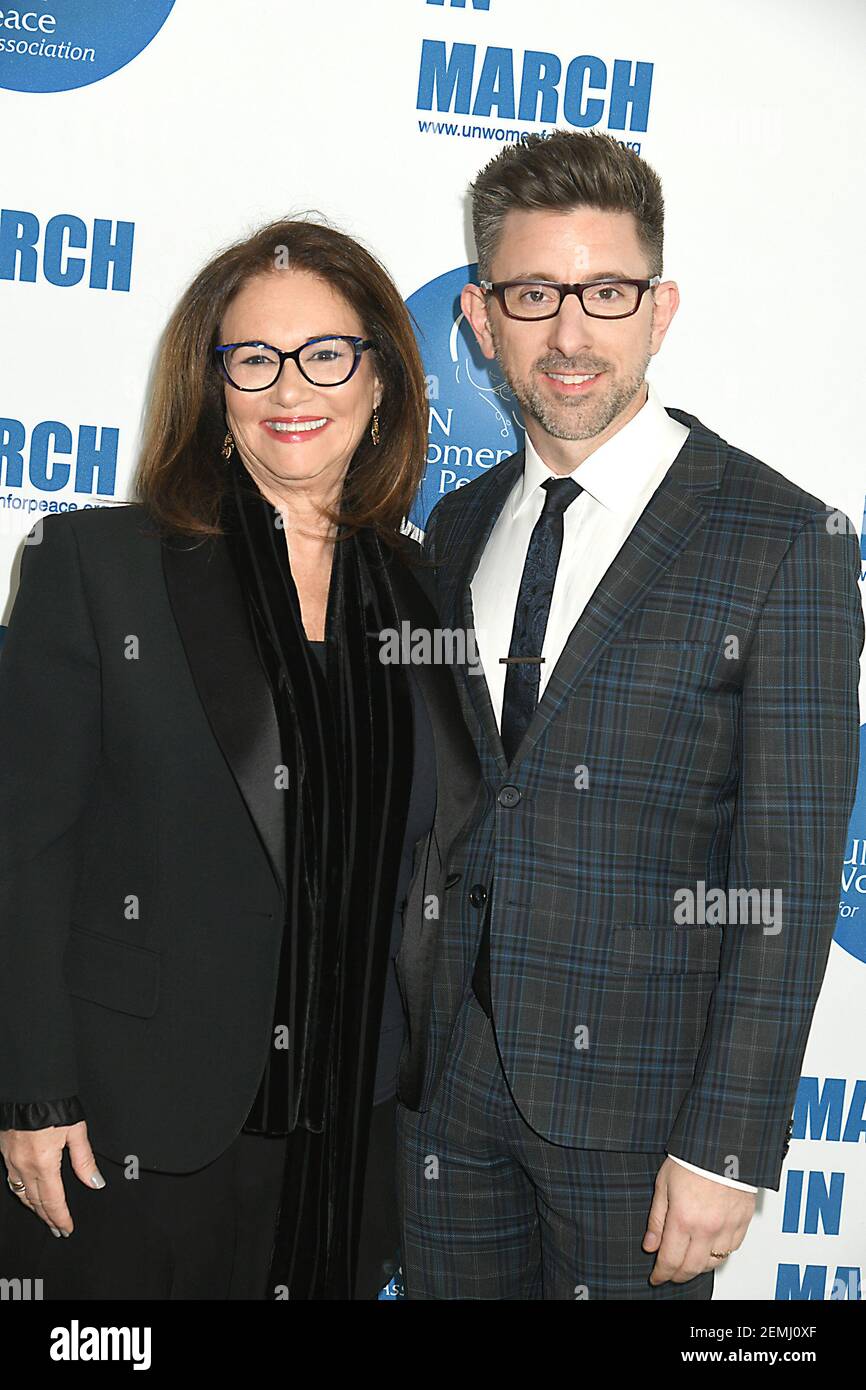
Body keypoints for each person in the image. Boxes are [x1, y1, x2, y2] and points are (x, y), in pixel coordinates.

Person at [396, 130, 864, 1300]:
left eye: (603, 292)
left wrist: (726, 1143)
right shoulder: (453, 527)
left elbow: (789, 876)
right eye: (533, 293)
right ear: (478, 318)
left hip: (643, 1125)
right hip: (442, 1096)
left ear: (658, 310)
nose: (568, 333)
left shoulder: (781, 540)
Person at [0, 216, 480, 1300]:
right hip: (129, 1125)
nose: (288, 385)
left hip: (350, 1134)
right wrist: (29, 1091)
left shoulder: (425, 592)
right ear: (212, 391)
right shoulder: (99, 565)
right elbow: (24, 849)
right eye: (252, 357)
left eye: (325, 354)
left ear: (379, 389)